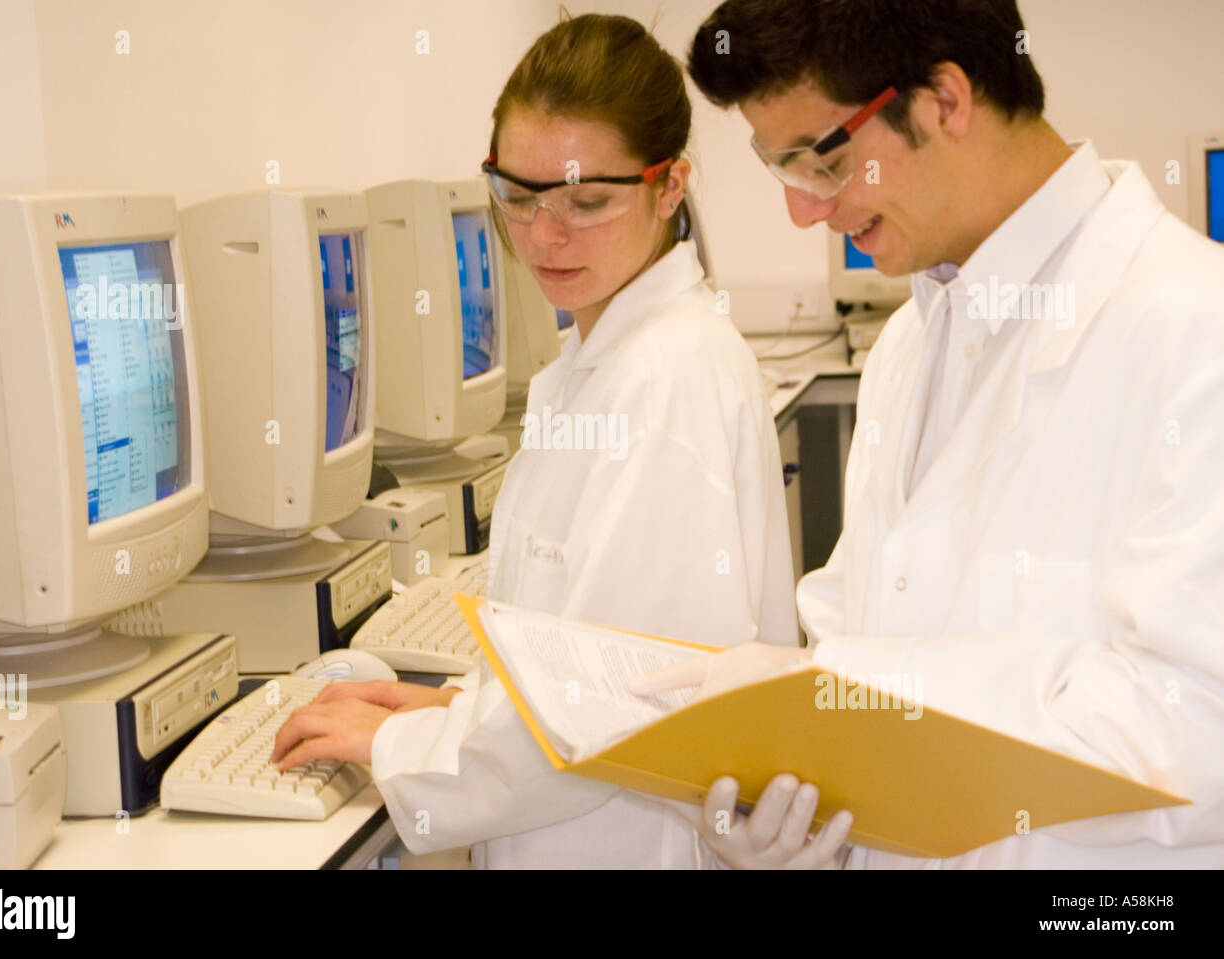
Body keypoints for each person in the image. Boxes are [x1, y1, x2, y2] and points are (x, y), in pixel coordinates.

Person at [635, 0, 1224, 867]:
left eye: (823, 159)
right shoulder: (912, 342)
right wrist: (804, 809)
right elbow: (858, 626)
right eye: (781, 169)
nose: (805, 213)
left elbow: (1193, 732)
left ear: (945, 99)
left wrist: (844, 697)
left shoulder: (1194, 330)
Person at [271, 13, 853, 869]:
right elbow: (577, 636)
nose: (545, 236)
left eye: (587, 201)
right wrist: (458, 713)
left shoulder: (666, 376)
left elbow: (614, 704)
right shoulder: (605, 355)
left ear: (668, 186)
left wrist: (404, 750)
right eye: (519, 195)